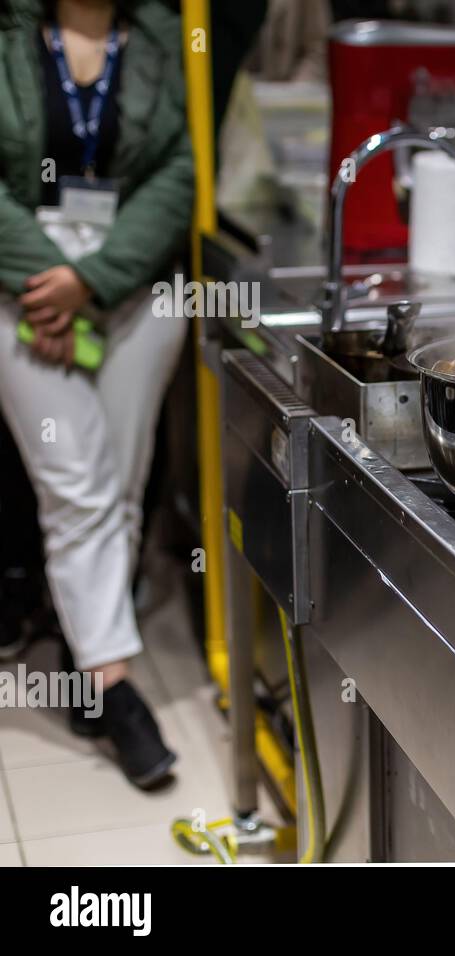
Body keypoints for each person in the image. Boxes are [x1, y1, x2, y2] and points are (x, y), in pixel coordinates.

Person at [0, 0, 193, 787]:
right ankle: (117, 695)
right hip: (21, 287)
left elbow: (183, 167)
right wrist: (48, 285)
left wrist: (96, 279)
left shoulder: (168, 37)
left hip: (139, 286)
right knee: (74, 484)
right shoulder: (11, 32)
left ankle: (87, 662)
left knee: (118, 486)